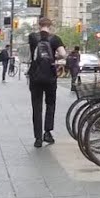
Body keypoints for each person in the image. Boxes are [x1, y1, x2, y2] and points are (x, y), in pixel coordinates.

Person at [27, 17, 66, 147]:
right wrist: (54, 57)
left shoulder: (32, 37)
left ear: (39, 25)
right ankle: (47, 133)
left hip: (35, 76)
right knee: (50, 104)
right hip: (50, 76)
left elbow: (33, 54)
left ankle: (37, 138)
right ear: (50, 26)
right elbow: (63, 54)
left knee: (36, 107)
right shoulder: (55, 38)